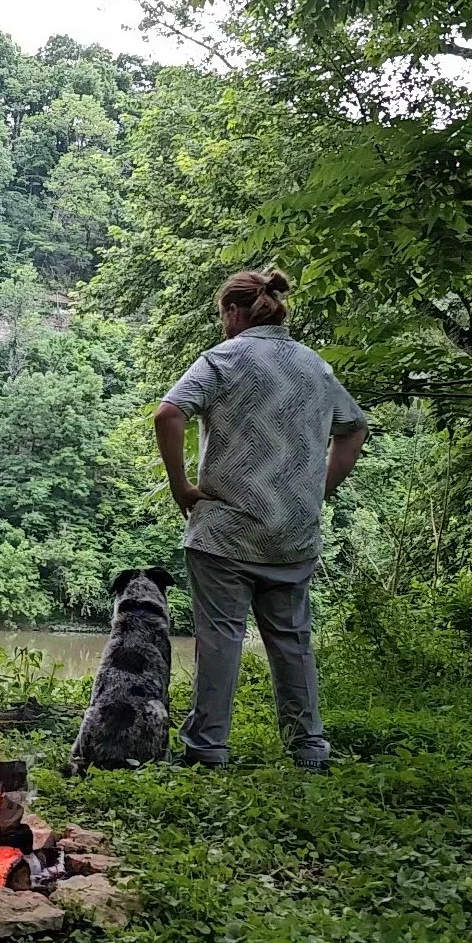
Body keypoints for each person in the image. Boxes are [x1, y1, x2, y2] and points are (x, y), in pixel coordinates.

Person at [153, 268, 367, 772]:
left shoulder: (223, 359)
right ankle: (308, 749)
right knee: (292, 640)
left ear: (233, 311)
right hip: (292, 532)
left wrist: (181, 486)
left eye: (222, 313)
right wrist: (318, 489)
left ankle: (207, 750)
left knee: (221, 638)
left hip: (225, 530)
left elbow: (169, 414)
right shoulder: (315, 366)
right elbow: (353, 429)